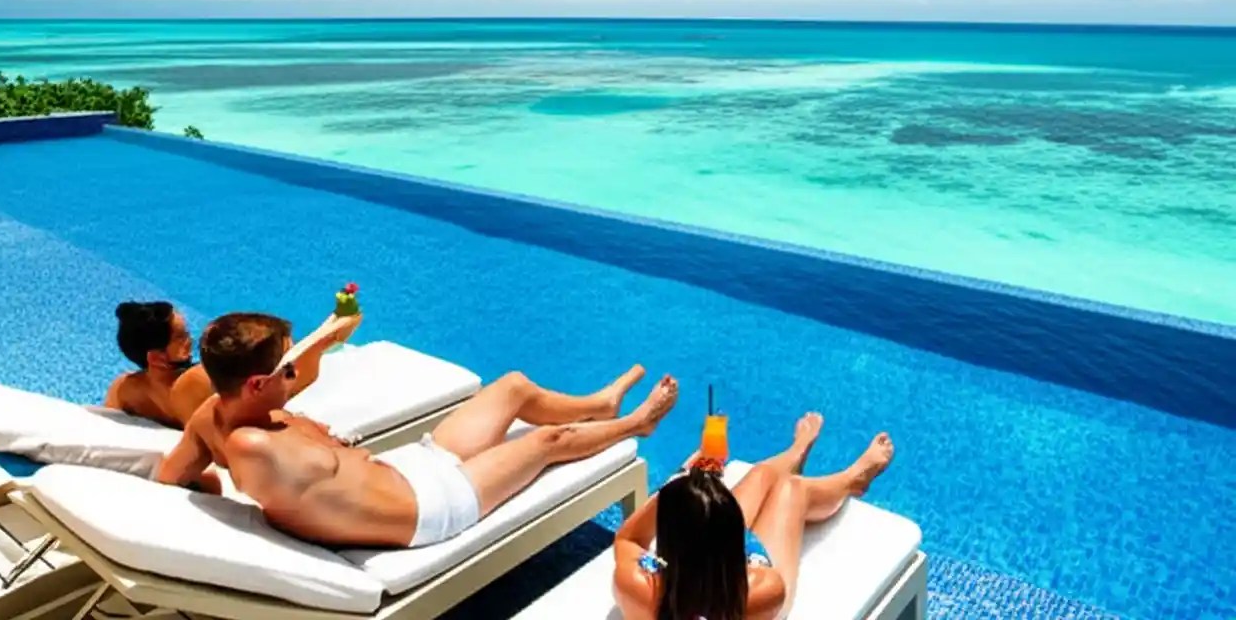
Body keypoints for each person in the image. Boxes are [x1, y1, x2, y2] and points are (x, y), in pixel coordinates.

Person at [156, 312, 679, 548]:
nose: (296, 376)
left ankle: (599, 404)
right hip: (429, 510)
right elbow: (174, 483)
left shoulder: (232, 416)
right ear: (255, 384)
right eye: (286, 369)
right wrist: (215, 492)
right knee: (546, 442)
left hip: (412, 465)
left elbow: (172, 472)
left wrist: (326, 337)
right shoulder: (248, 444)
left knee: (513, 387)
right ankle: (638, 424)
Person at [612, 414, 894, 620]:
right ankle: (852, 480)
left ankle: (796, 452)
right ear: (735, 530)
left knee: (762, 473)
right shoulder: (760, 591)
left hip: (710, 563)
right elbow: (755, 574)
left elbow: (627, 538)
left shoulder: (637, 587)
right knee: (793, 490)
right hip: (748, 570)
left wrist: (681, 485)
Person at [105, 301, 361, 429]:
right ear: (156, 357)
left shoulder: (123, 389)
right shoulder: (197, 381)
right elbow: (288, 381)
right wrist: (327, 338)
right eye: (181, 337)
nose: (190, 339)